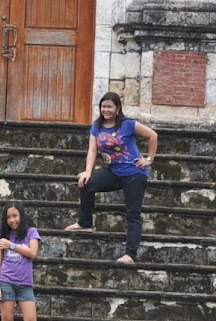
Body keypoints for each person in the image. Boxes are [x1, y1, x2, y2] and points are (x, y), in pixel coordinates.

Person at [64, 91, 157, 264]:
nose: (106, 110)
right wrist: (88, 172)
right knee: (87, 184)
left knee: (133, 213)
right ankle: (85, 223)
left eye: (109, 107)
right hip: (114, 171)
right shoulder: (97, 126)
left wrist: (149, 159)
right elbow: (92, 150)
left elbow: (153, 135)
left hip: (134, 173)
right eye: (103, 106)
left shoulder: (128, 124)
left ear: (117, 108)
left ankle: (130, 254)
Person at [0, 201, 42, 321]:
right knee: (7, 320)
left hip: (25, 285)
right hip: (6, 282)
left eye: (15, 216)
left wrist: (12, 246)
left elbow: (33, 253)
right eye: (8, 217)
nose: (12, 220)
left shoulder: (31, 232)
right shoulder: (3, 237)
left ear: (21, 215)